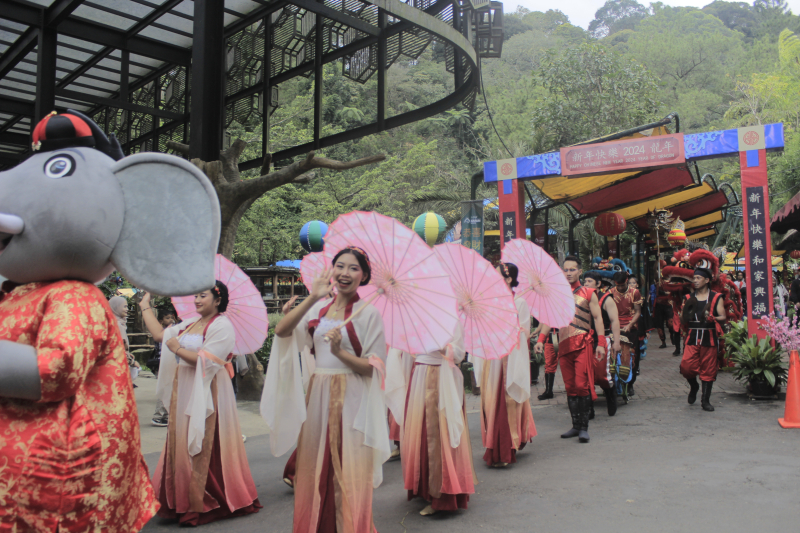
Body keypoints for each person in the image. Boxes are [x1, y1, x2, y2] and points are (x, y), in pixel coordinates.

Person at [261, 247, 389, 533]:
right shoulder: (318, 309)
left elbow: (374, 367)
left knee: (349, 468)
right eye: (339, 266)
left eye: (353, 268)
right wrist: (313, 297)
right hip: (318, 394)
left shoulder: (369, 315)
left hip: (353, 396)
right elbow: (281, 331)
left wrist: (338, 352)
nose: (345, 273)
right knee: (314, 467)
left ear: (364, 275)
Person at [142, 283, 261, 525]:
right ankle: (182, 497)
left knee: (206, 439)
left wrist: (176, 347)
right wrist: (145, 306)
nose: (196, 299)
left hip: (210, 387)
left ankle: (205, 497)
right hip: (185, 385)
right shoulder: (189, 323)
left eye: (202, 295)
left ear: (217, 300)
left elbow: (207, 361)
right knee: (183, 439)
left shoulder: (222, 325)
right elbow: (159, 336)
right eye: (195, 294)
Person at [385, 323, 476, 516]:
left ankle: (441, 494)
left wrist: (441, 346)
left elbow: (459, 353)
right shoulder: (416, 316)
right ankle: (424, 488)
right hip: (418, 376)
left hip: (439, 378)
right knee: (420, 436)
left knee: (437, 436)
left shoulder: (451, 318)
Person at [535, 256, 604, 443]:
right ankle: (575, 426)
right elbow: (549, 318)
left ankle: (584, 427)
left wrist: (601, 343)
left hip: (583, 344)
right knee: (570, 387)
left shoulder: (589, 292)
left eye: (572, 269)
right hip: (564, 346)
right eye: (565, 270)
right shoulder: (557, 294)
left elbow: (598, 319)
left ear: (580, 271)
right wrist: (541, 339)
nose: (568, 273)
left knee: (582, 385)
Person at [476, 263, 537, 465]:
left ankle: (505, 450)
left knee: (506, 401)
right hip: (491, 359)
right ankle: (496, 446)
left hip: (509, 359)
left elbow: (525, 332)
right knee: (491, 403)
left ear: (509, 279)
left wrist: (509, 329)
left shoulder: (519, 303)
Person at [680, 267, 727, 412]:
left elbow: (723, 317)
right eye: (694, 278)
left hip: (709, 335)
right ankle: (694, 386)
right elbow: (683, 318)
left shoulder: (716, 297)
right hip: (693, 335)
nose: (695, 280)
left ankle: (705, 400)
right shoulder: (688, 298)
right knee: (686, 366)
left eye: (698, 278)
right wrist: (682, 316)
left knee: (709, 369)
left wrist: (713, 318)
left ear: (707, 280)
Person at [583, 272, 621, 416]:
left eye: (589, 281)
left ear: (598, 284)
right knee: (586, 375)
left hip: (603, 338)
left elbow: (615, 321)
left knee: (601, 375)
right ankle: (589, 408)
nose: (586, 283)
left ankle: (611, 395)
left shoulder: (606, 299)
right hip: (585, 339)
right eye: (585, 281)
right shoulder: (581, 297)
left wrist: (616, 342)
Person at [609, 272, 642, 398]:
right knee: (613, 355)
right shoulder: (611, 292)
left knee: (631, 356)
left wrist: (630, 324)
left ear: (627, 281)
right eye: (619, 286)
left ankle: (630, 383)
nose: (621, 288)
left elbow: (638, 312)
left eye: (623, 285)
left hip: (630, 327)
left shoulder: (634, 292)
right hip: (615, 325)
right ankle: (614, 381)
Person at [149, 313, 177, 426]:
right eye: (167, 317)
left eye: (172, 318)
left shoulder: (172, 330)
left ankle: (165, 415)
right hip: (162, 362)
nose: (171, 320)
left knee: (169, 388)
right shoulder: (163, 332)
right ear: (161, 320)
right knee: (165, 389)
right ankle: (158, 416)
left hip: (169, 363)